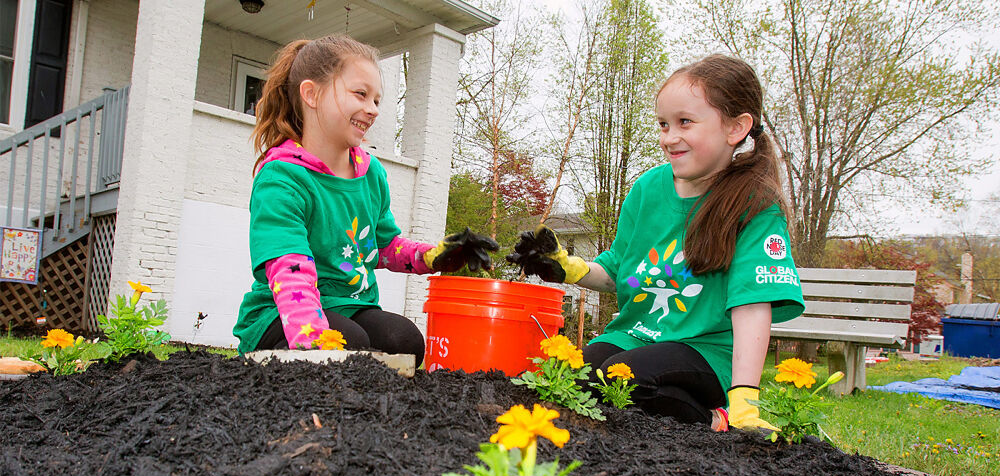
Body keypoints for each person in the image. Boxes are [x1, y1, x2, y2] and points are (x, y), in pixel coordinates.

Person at [508, 54, 804, 431]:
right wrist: (566, 266)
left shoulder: (755, 206)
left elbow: (752, 305)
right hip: (636, 338)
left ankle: (718, 420)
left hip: (707, 352)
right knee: (576, 377)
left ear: (736, 127)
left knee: (627, 378)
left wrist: (745, 397)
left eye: (685, 122)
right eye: (664, 124)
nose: (669, 137)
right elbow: (620, 270)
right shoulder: (647, 189)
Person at [234, 35, 497, 357]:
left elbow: (383, 247)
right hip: (281, 312)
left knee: (404, 341)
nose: (372, 110)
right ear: (311, 94)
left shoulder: (371, 174)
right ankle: (275, 372)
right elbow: (288, 266)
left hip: (349, 306)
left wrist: (433, 257)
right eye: (360, 94)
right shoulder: (283, 177)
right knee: (349, 340)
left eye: (376, 100)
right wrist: (313, 338)